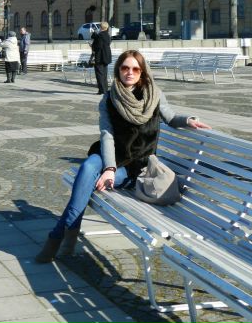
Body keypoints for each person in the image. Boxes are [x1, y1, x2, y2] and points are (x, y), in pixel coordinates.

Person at [35, 50, 211, 263]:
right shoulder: (110, 98)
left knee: (86, 181)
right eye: (125, 68)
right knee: (88, 168)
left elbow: (171, 117)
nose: (130, 72)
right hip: (109, 155)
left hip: (134, 166)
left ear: (142, 72)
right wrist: (109, 168)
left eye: (136, 69)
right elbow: (107, 135)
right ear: (118, 70)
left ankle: (58, 237)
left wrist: (188, 120)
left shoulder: (154, 95)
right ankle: (64, 237)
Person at [91, 22, 112, 95]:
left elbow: (98, 46)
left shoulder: (100, 35)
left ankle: (101, 90)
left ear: (101, 27)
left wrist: (92, 46)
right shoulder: (107, 35)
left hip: (99, 57)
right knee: (104, 74)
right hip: (106, 57)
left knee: (99, 73)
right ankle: (105, 89)